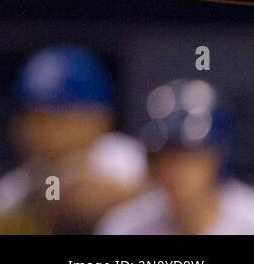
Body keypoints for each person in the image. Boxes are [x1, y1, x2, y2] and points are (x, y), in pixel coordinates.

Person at [0, 46, 145, 234]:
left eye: (53, 117)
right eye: (29, 116)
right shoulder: (10, 191)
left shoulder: (130, 158)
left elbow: (86, 201)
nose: (36, 130)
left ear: (97, 117)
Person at [99, 79, 254, 235]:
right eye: (164, 158)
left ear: (218, 157)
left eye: (188, 157)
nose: (175, 172)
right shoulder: (126, 225)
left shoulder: (249, 219)